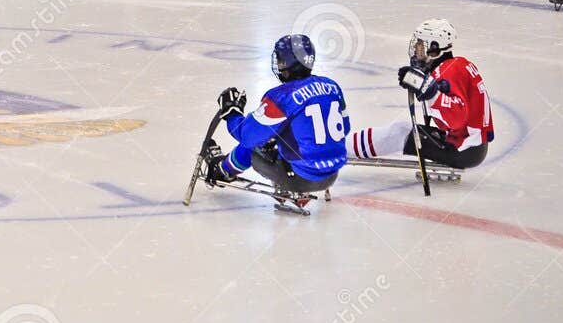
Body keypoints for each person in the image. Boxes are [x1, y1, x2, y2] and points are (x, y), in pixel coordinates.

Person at [201, 34, 349, 198]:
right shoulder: (332, 86)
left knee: (257, 142)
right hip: (332, 175)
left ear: (286, 63)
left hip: (299, 178)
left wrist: (231, 113)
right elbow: (345, 128)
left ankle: (222, 170)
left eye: (279, 59)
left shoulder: (282, 96)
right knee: (280, 135)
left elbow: (248, 136)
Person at [348, 19, 494, 170]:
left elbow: (456, 118)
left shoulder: (447, 71)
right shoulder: (457, 64)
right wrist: (425, 84)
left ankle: (341, 149)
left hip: (462, 150)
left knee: (400, 132)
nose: (416, 49)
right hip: (470, 145)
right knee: (404, 130)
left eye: (421, 45)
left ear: (434, 50)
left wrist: (431, 93)